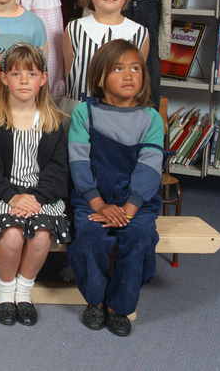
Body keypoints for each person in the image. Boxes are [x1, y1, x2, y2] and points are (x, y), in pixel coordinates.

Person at [0, 43, 70, 327]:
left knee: (41, 236)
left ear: (43, 79)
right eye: (16, 73)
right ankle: (5, 294)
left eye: (31, 74)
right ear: (3, 78)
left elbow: (58, 171)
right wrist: (13, 197)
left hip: (42, 197)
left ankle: (24, 293)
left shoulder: (55, 122)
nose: (23, 80)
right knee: (12, 235)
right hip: (1, 195)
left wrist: (36, 198)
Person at [67, 39, 164, 338]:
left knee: (138, 235)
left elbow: (150, 167)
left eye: (135, 68)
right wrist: (98, 204)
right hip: (92, 196)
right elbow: (79, 162)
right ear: (99, 78)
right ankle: (95, 301)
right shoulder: (85, 113)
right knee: (88, 234)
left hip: (136, 200)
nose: (129, 75)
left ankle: (120, 307)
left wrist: (129, 209)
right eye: (118, 68)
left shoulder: (151, 118)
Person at [63, 0, 149, 111]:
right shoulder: (74, 28)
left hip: (119, 114)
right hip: (77, 111)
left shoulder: (139, 33)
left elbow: (137, 80)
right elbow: (70, 74)